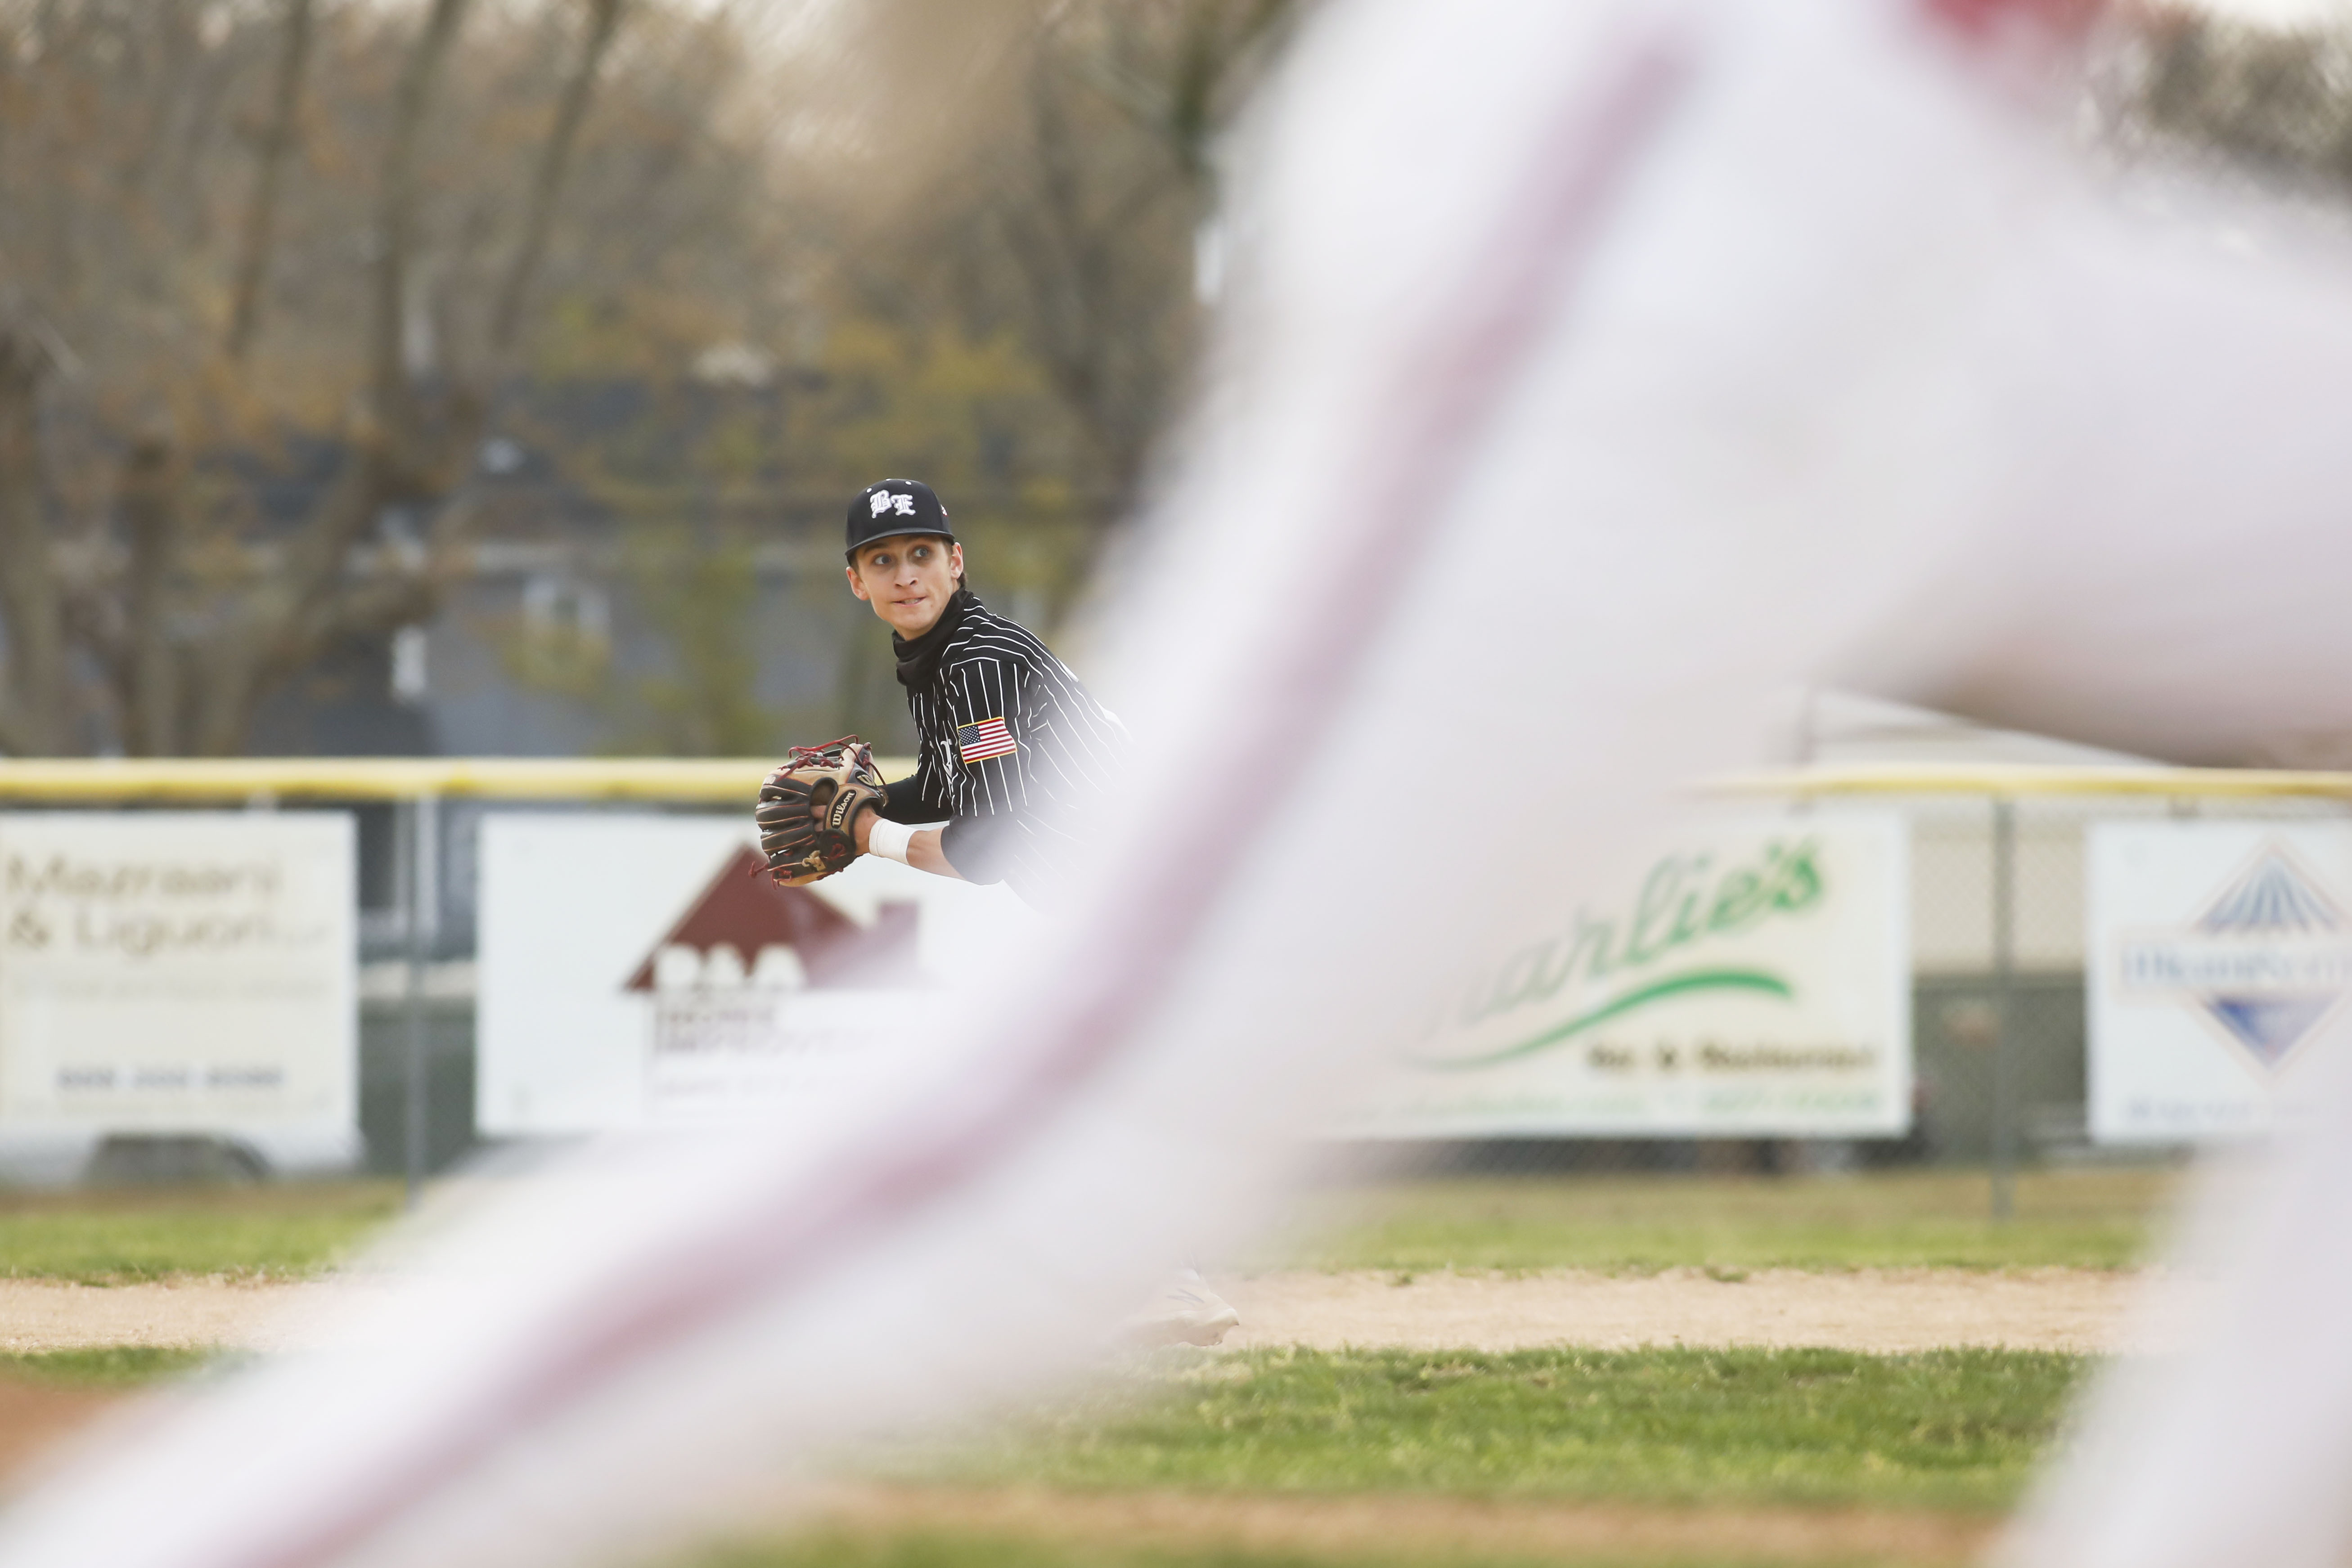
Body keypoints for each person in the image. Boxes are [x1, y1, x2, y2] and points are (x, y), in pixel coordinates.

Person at [811, 476, 1240, 1347]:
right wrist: (873, 806)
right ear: (855, 581)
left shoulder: (973, 661)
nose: (905, 575)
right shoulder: (949, 659)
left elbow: (992, 838)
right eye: (882, 560)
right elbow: (954, 784)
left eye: (921, 554)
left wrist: (867, 836)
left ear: (956, 562)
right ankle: (1138, 1277)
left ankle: (1167, 1284)